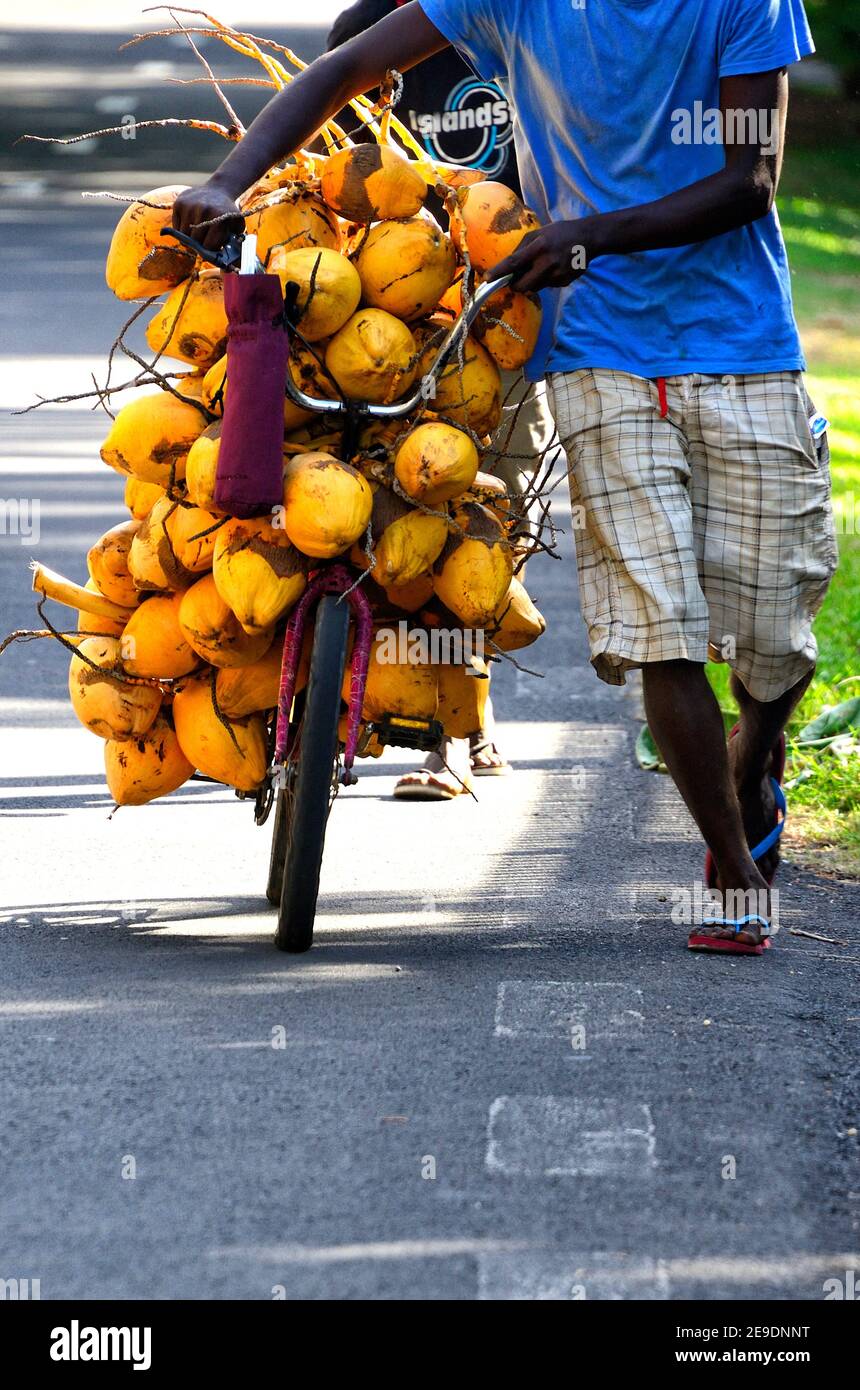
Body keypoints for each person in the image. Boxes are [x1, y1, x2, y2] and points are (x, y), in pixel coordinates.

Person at [173, 0, 837, 954]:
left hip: (744, 344)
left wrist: (591, 237)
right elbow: (343, 67)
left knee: (774, 631)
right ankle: (731, 870)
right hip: (599, 351)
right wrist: (229, 179)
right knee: (660, 628)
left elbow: (751, 181)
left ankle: (754, 757)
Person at [328, 0, 556, 800]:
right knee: (367, 508)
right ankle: (333, 695)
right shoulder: (360, 33)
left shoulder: (520, 20)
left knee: (483, 516)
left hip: (503, 320)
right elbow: (345, 188)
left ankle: (458, 729)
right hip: (385, 319)